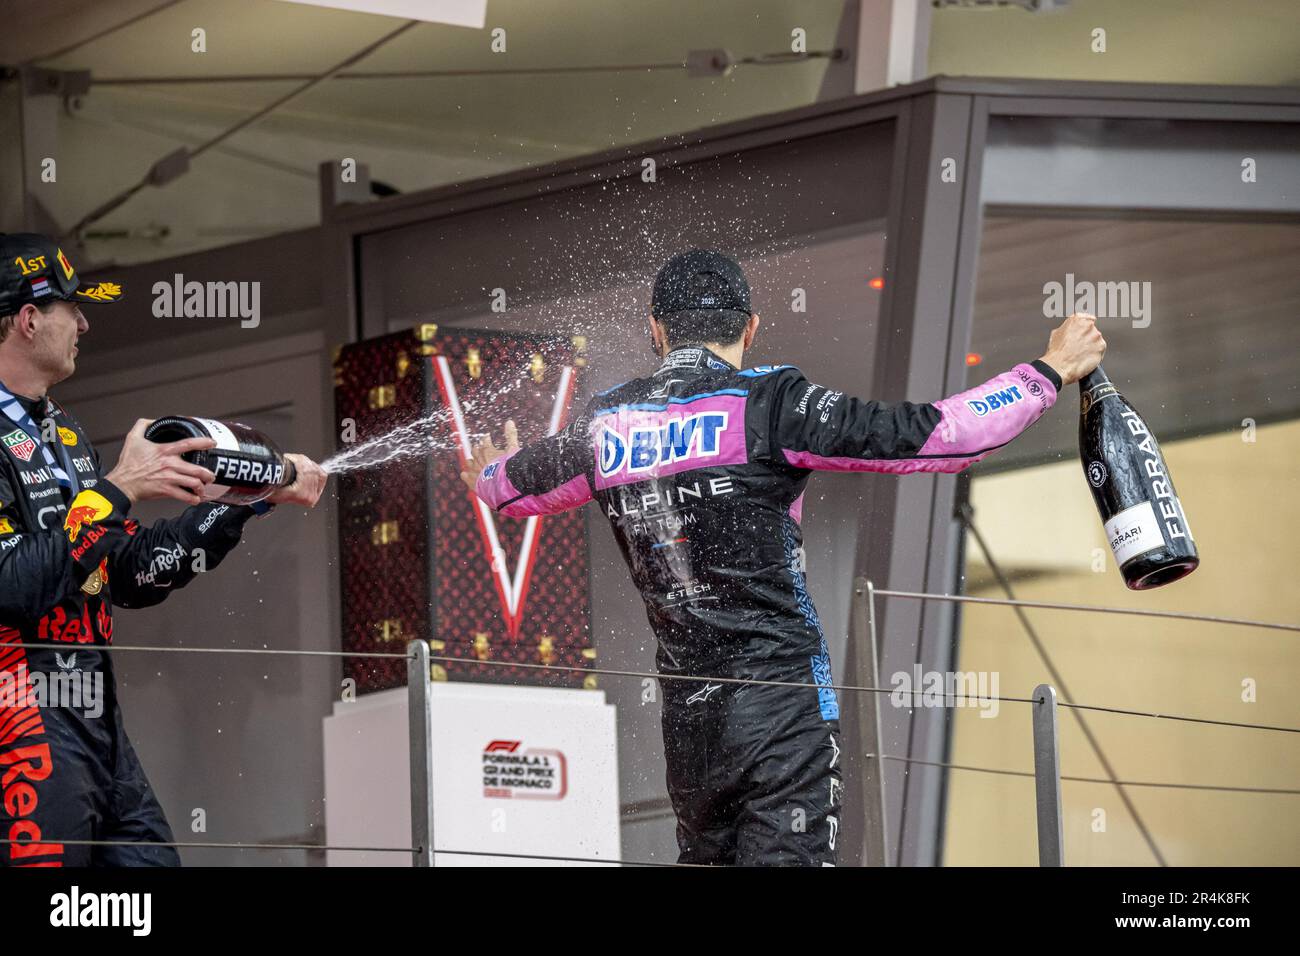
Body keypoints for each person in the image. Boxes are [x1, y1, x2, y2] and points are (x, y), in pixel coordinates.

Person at [461, 248, 1105, 866]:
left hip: (691, 726)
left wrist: (490, 472)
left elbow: (509, 486)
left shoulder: (604, 425)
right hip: (783, 711)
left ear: (656, 331)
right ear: (750, 328)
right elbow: (941, 436)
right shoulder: (772, 402)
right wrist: (1049, 370)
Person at [0, 233, 328, 866]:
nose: (86, 322)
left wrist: (241, 504)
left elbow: (124, 574)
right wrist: (120, 487)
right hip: (22, 718)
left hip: (98, 719)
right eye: (74, 308)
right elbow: (13, 586)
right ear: (29, 318)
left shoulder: (63, 433)